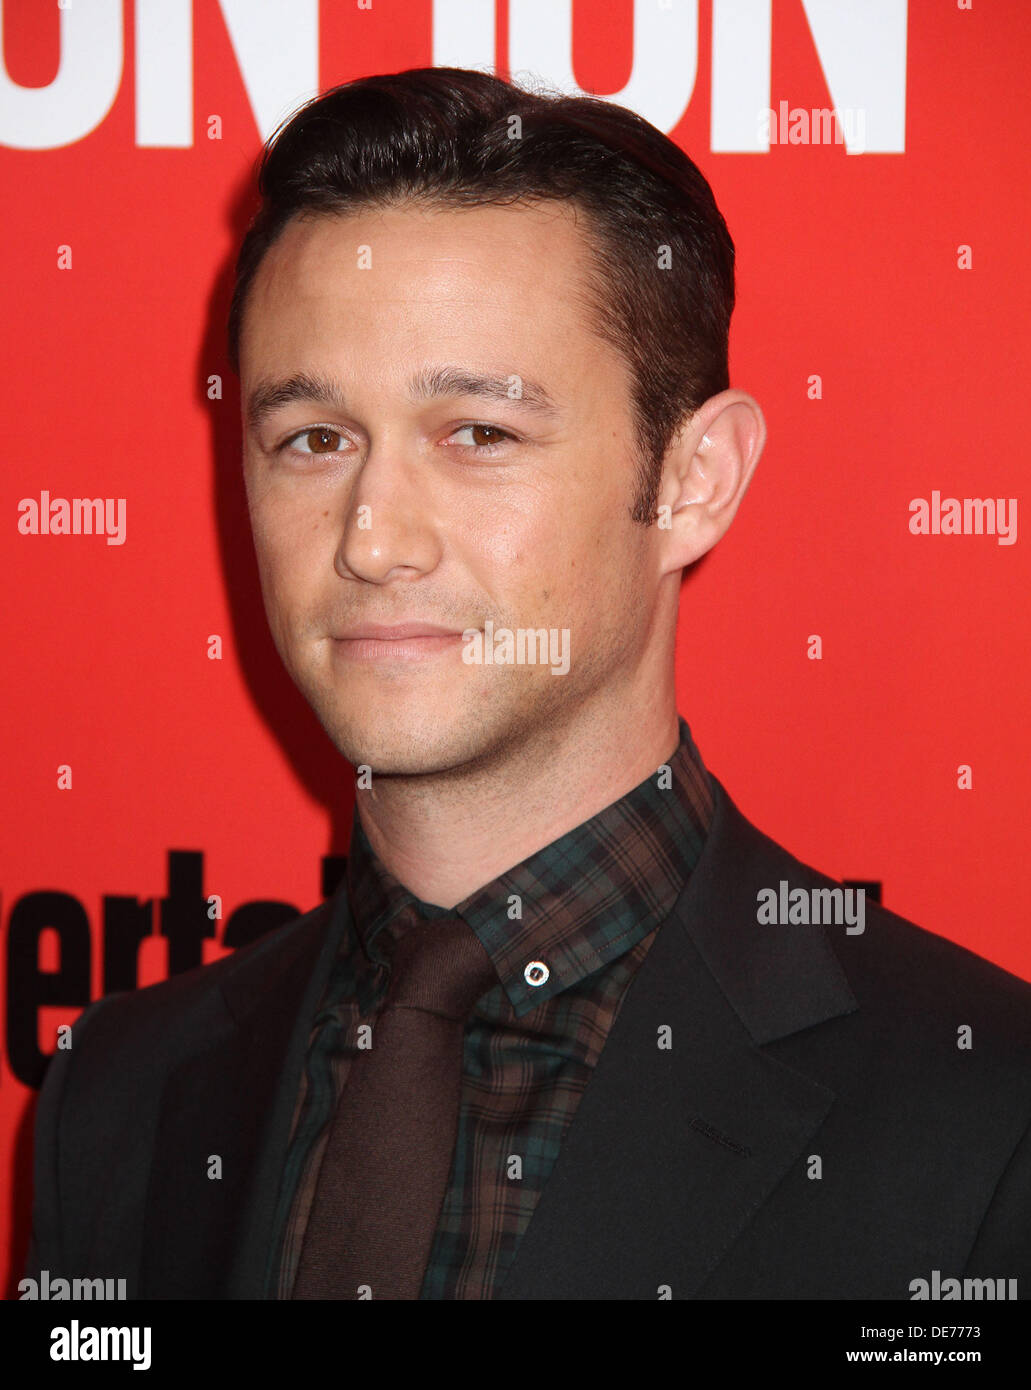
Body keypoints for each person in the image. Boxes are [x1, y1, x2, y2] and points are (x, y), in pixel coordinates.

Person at [23, 66, 1031, 1301]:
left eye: (477, 433)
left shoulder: (985, 1117)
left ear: (694, 478)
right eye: (314, 439)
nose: (371, 538)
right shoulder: (116, 1098)